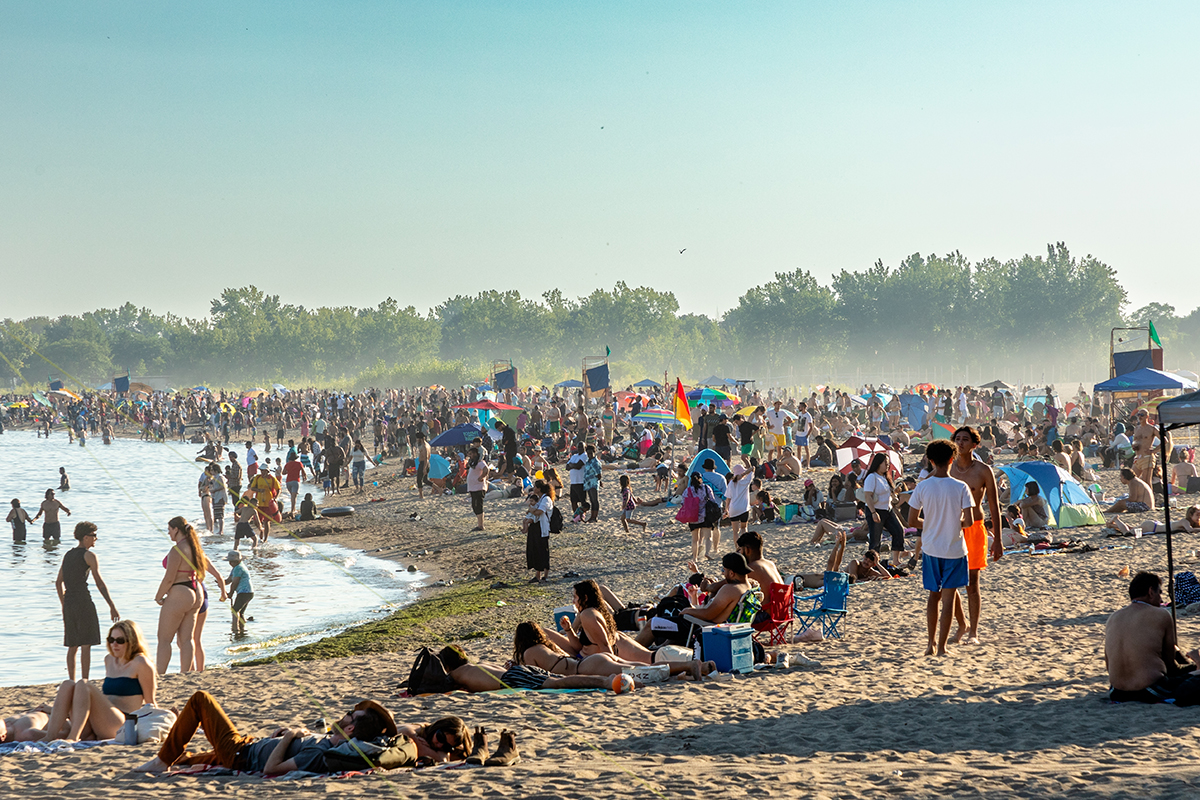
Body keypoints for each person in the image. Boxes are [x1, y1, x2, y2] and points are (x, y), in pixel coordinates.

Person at [134, 693, 399, 774]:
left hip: (241, 754)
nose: (345, 714)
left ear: (350, 728)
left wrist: (287, 738)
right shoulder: (324, 740)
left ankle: (161, 761)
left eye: (349, 716)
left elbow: (272, 770)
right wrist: (282, 736)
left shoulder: (320, 752)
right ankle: (172, 757)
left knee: (201, 700)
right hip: (248, 748)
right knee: (185, 760)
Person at [907, 439, 974, 657]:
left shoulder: (922, 486)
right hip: (954, 549)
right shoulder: (961, 487)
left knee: (932, 597)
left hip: (931, 548)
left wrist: (932, 522)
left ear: (931, 460)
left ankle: (930, 643)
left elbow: (912, 520)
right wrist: (953, 520)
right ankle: (943, 647)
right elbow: (969, 521)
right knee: (948, 599)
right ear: (952, 459)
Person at [38, 619, 156, 741]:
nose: (114, 644)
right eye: (111, 640)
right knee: (68, 684)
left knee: (84, 684)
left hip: (122, 723)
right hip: (97, 722)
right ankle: (49, 737)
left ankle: (73, 737)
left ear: (132, 642)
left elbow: (150, 703)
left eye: (120, 641)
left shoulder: (141, 663)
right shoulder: (109, 660)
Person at [1105, 571, 1200, 704]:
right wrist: (1196, 662)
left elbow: (1109, 666)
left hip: (1117, 692)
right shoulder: (1161, 615)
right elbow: (1171, 667)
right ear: (1150, 592)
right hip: (1150, 690)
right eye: (1159, 593)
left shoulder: (1113, 617)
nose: (1161, 600)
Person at [949, 426, 1003, 645]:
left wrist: (998, 540)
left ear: (974, 444)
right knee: (948, 583)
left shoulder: (983, 471)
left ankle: (974, 633)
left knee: (972, 583)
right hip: (952, 527)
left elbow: (994, 506)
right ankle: (962, 623)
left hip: (975, 527)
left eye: (965, 439)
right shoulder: (947, 469)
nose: (960, 443)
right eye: (957, 439)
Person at [55, 522, 120, 680]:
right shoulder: (89, 555)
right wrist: (112, 606)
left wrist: (64, 603)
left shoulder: (68, 555)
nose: (95, 539)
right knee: (85, 645)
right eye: (93, 536)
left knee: (72, 645)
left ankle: (71, 679)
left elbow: (58, 582)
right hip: (83, 601)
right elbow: (99, 583)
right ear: (85, 537)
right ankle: (84, 679)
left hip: (69, 601)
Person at [153, 516, 208, 674]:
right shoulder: (195, 547)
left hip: (180, 592)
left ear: (176, 529)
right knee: (187, 639)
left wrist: (158, 596)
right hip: (197, 592)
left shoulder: (177, 550)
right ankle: (186, 673)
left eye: (169, 530)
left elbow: (169, 578)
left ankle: (160, 674)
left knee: (164, 640)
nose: (169, 534)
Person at [862, 453, 906, 569]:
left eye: (888, 464)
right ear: (878, 464)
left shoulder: (885, 477)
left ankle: (896, 560)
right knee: (875, 539)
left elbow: (887, 495)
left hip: (887, 509)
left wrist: (895, 493)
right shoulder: (872, 477)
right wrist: (873, 513)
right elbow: (868, 496)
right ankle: (872, 565)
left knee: (898, 531)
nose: (887, 466)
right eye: (885, 463)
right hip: (875, 510)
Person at [681, 472, 717, 562]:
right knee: (708, 536)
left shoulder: (688, 490)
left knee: (695, 540)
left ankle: (695, 558)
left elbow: (683, 503)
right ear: (701, 479)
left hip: (693, 517)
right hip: (705, 516)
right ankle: (707, 553)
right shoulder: (706, 488)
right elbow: (712, 500)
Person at [1107, 505, 1200, 536]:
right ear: (1190, 515)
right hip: (1152, 527)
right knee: (1127, 533)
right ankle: (1116, 519)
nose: (1199, 518)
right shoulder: (1185, 521)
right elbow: (1190, 530)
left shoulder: (1190, 522)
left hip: (1154, 525)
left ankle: (1113, 525)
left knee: (1133, 529)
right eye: (1197, 515)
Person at [527, 480, 553, 582]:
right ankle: (537, 575)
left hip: (542, 528)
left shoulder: (546, 499)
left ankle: (545, 576)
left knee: (543, 551)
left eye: (535, 487)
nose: (534, 489)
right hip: (535, 527)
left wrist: (531, 510)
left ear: (539, 488)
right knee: (535, 550)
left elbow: (539, 512)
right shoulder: (539, 499)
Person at [226, 550, 254, 634]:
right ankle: (242, 630)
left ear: (238, 561)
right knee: (240, 612)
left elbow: (235, 582)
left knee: (235, 610)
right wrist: (221, 583)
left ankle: (235, 629)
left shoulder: (239, 568)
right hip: (248, 593)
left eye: (233, 562)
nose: (230, 563)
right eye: (230, 561)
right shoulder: (235, 568)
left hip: (244, 592)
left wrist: (230, 593)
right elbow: (229, 580)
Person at [724, 464, 753, 538]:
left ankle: (737, 548)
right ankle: (744, 547)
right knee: (744, 528)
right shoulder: (746, 481)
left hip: (733, 509)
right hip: (744, 508)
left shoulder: (731, 483)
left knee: (735, 532)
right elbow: (753, 468)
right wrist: (744, 473)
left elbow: (728, 498)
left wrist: (726, 509)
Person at [466, 446, 489, 532]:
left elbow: (486, 470)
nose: (470, 455)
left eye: (471, 454)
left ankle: (481, 525)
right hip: (473, 488)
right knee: (474, 506)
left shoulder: (480, 462)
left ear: (475, 454)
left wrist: (482, 477)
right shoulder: (473, 463)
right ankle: (479, 524)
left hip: (479, 487)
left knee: (478, 505)